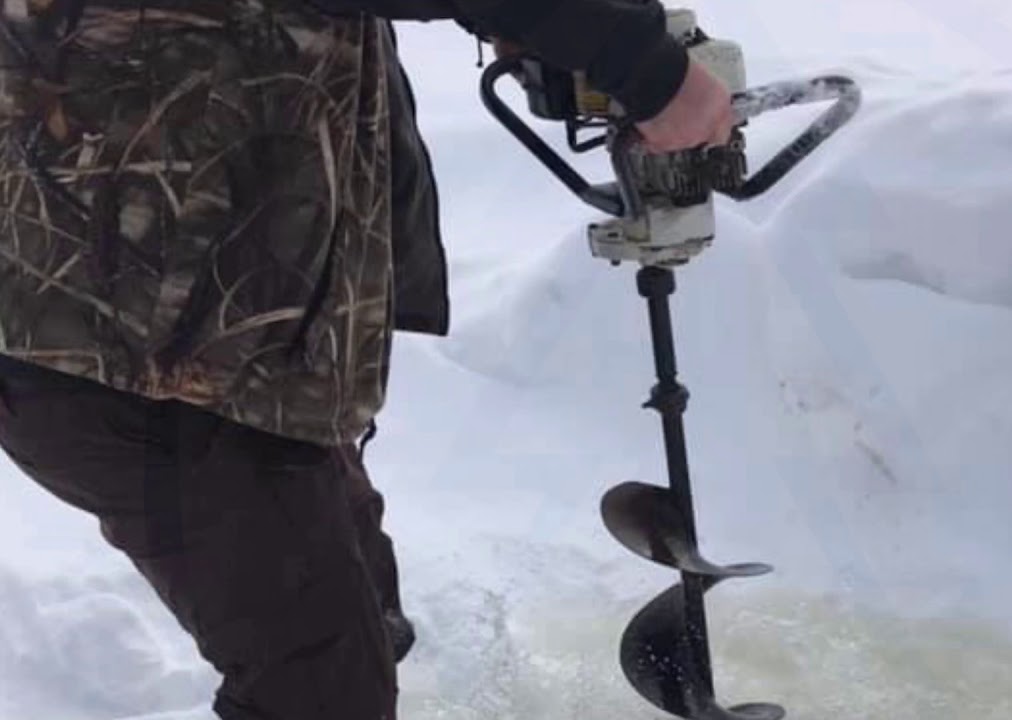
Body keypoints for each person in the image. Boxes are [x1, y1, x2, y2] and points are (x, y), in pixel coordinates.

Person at [0, 0, 733, 718]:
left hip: (206, 336)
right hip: (144, 349)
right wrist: (634, 57)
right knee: (318, 687)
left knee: (356, 618)